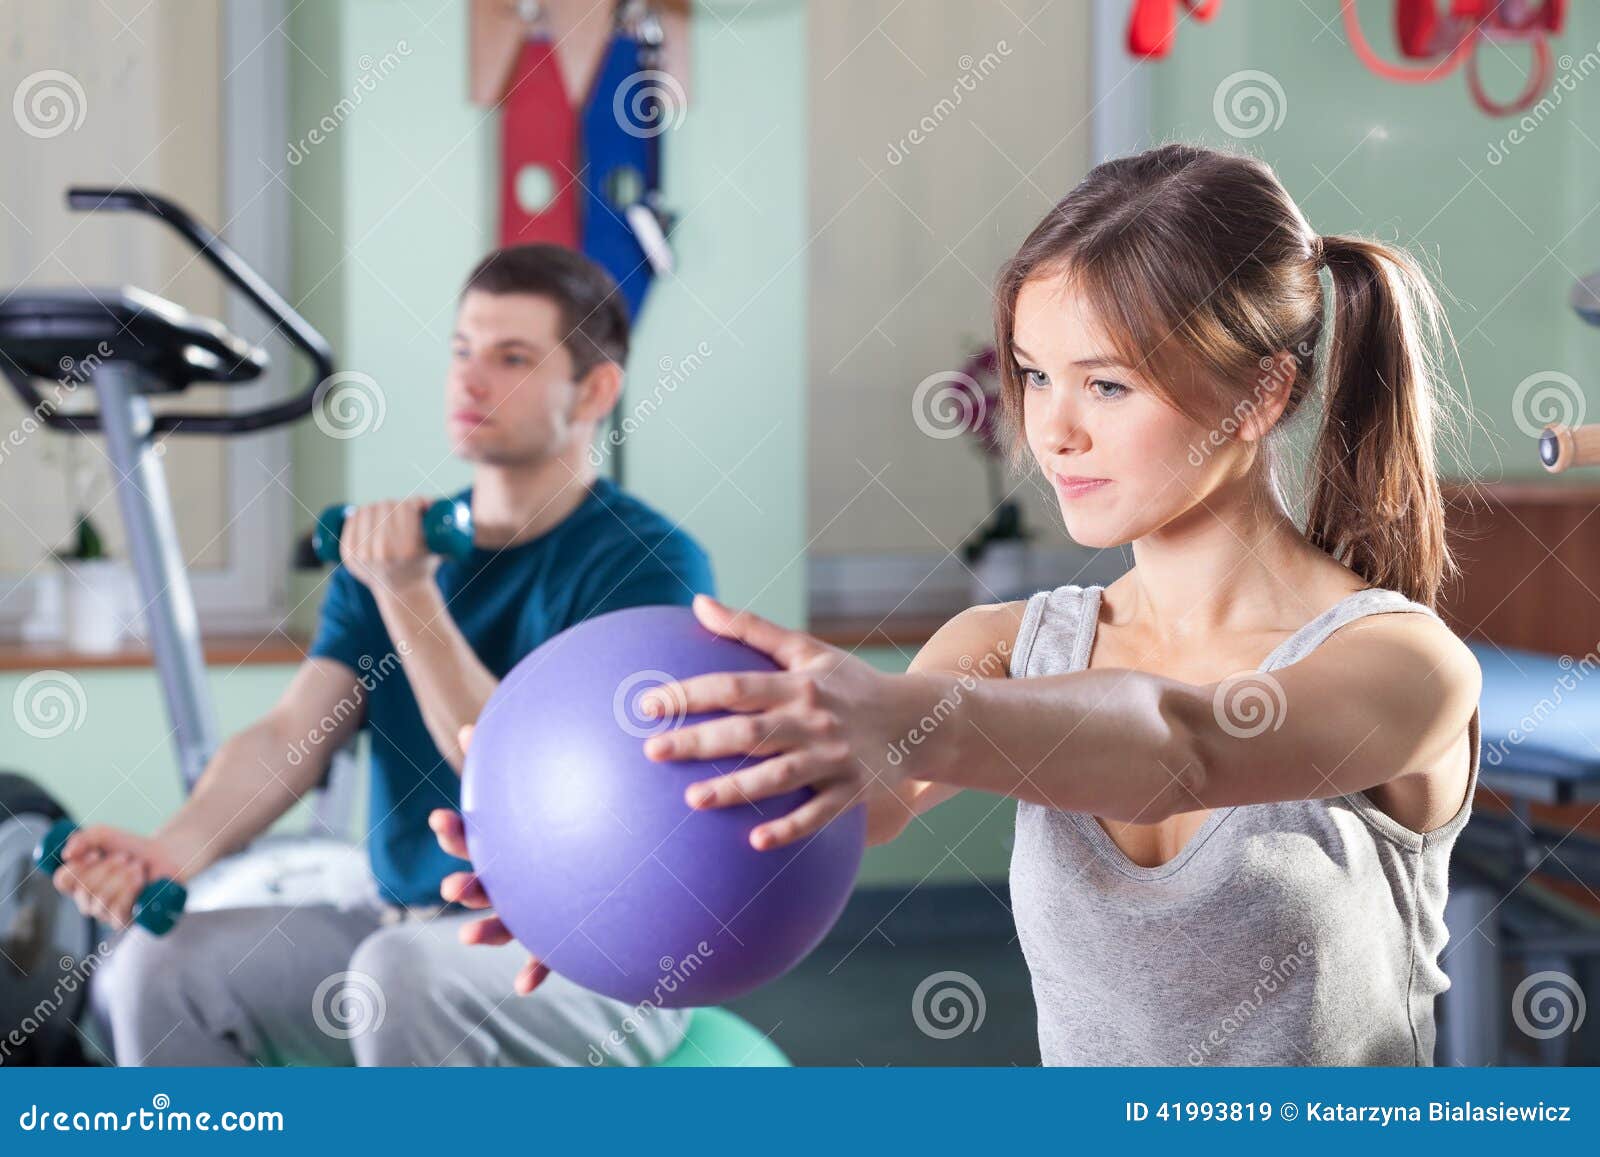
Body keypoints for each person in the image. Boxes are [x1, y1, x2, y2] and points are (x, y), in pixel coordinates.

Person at [437, 143, 1482, 1066]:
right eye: (1035, 375)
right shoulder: (1004, 645)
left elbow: (1186, 746)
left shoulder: (1404, 667)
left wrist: (899, 713)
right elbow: (841, 808)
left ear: (1261, 394)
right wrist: (586, 875)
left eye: (1107, 385)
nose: (1052, 430)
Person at [55, 244, 713, 1067]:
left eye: (512, 358)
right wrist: (172, 850)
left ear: (595, 389)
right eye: (462, 351)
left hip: (595, 950)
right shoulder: (388, 551)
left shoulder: (645, 564)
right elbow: (291, 735)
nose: (471, 380)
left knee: (399, 973)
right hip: (403, 922)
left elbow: (518, 781)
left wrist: (407, 591)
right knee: (159, 968)